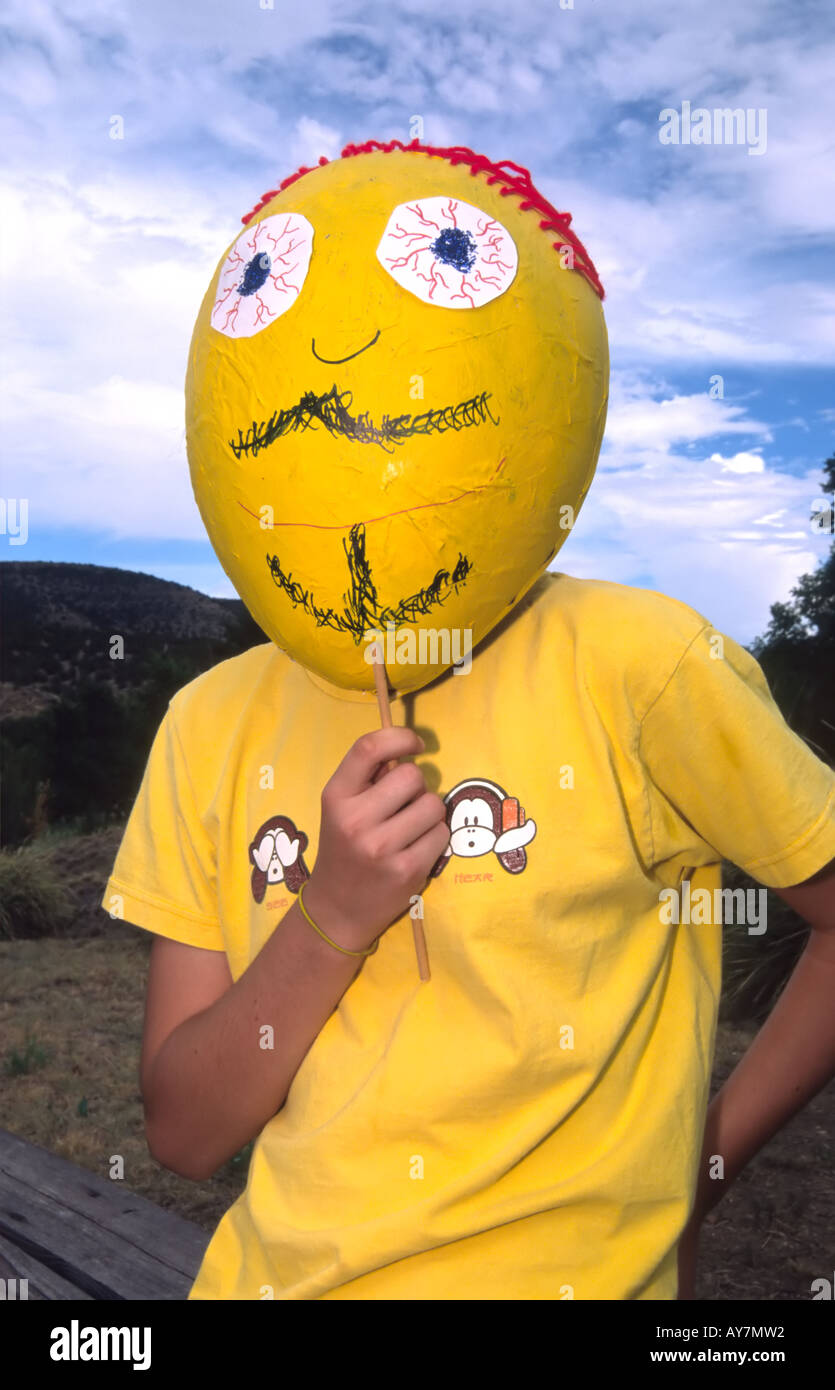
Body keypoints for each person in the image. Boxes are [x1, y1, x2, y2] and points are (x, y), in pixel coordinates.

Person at [101, 140, 835, 1300]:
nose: (344, 360)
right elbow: (188, 1134)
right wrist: (331, 917)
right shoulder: (206, 721)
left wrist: (703, 1157)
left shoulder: (642, 665)